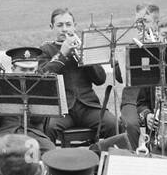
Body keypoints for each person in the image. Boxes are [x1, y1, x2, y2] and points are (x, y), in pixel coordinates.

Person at [39, 8, 120, 142]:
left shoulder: (84, 47)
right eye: (59, 25)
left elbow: (100, 79)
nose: (64, 29)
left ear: (74, 26)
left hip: (88, 106)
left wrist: (85, 54)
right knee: (49, 129)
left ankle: (108, 160)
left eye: (68, 24)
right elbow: (43, 79)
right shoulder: (46, 49)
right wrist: (62, 54)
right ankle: (52, 162)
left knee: (114, 124)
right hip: (61, 109)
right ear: (51, 27)